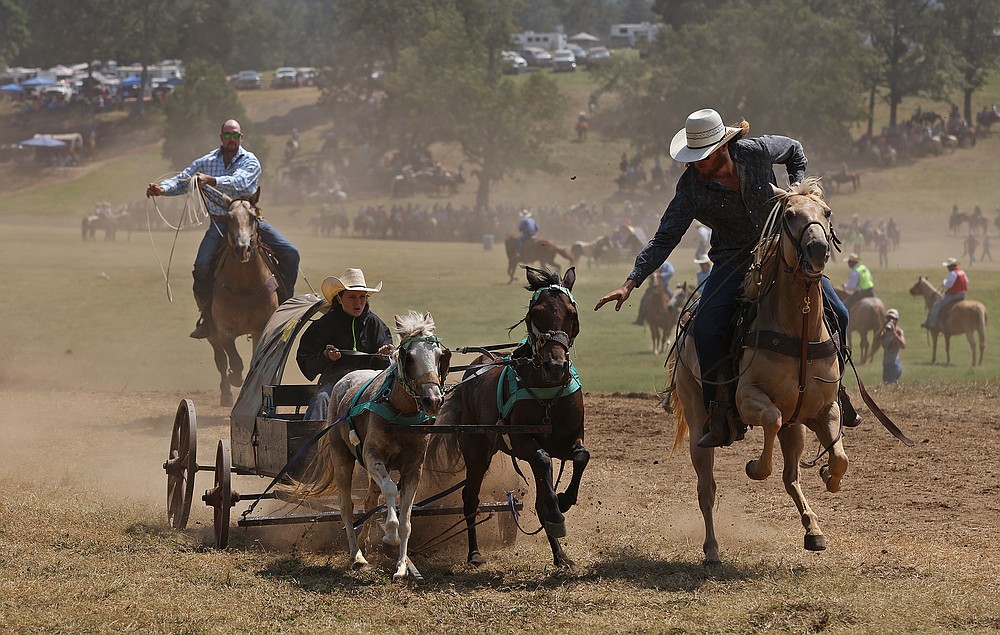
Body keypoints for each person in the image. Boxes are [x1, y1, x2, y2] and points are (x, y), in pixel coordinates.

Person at [594, 108, 854, 448]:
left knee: (841, 314)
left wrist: (796, 186)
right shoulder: (691, 188)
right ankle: (719, 411)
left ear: (721, 148)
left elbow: (795, 149)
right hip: (732, 261)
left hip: (781, 250)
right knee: (705, 328)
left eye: (701, 157)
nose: (695, 164)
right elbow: (665, 236)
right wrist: (631, 282)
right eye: (693, 157)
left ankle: (837, 391)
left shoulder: (756, 152)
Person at [146, 119, 300, 339]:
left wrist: (212, 180)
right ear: (221, 138)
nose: (231, 139)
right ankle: (207, 317)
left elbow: (241, 183)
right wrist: (162, 189)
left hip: (249, 218)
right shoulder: (206, 161)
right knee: (201, 265)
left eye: (235, 135)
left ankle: (285, 311)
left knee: (291, 253)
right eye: (227, 135)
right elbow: (184, 180)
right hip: (220, 222)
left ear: (241, 138)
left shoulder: (250, 161)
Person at [295, 268, 393, 421]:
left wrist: (385, 354)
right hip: (334, 382)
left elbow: (389, 360)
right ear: (340, 299)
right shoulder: (323, 325)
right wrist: (326, 356)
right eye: (352, 297)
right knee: (321, 400)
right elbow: (305, 358)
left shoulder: (375, 324)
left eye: (362, 297)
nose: (358, 302)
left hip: (369, 383)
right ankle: (311, 441)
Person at [923, 258, 968, 330]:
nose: (948, 268)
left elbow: (948, 285)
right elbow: (966, 281)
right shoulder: (962, 272)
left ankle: (931, 324)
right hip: (962, 294)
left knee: (936, 305)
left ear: (951, 266)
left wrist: (944, 282)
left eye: (948, 266)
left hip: (953, 295)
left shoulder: (952, 273)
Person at [633, 259, 674, 326]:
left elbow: (671, 272)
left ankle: (674, 318)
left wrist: (660, 275)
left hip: (664, 287)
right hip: (652, 288)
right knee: (644, 300)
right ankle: (640, 319)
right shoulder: (652, 263)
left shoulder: (667, 265)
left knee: (673, 300)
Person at [880, 308, 906, 384]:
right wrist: (882, 328)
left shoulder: (899, 332)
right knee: (885, 386)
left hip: (894, 364)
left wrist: (894, 333)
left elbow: (903, 345)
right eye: (888, 318)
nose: (890, 320)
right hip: (886, 364)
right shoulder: (884, 332)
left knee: (892, 384)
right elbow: (876, 339)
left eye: (892, 318)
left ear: (896, 320)